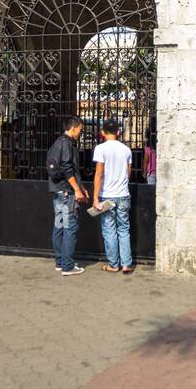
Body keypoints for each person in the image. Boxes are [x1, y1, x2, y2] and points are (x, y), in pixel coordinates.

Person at [46, 115, 88, 276]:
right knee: (70, 227)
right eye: (80, 130)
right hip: (66, 193)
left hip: (58, 192)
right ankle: (68, 266)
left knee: (59, 226)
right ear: (74, 128)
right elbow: (67, 169)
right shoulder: (67, 144)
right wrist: (77, 190)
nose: (80, 133)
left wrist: (81, 187)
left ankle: (60, 261)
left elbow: (69, 170)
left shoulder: (58, 143)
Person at [93, 117, 134, 274]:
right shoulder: (126, 150)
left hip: (107, 196)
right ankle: (126, 264)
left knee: (109, 229)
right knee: (124, 228)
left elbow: (99, 174)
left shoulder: (101, 149)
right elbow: (128, 174)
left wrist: (96, 197)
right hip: (123, 194)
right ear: (118, 132)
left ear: (102, 133)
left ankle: (113, 264)